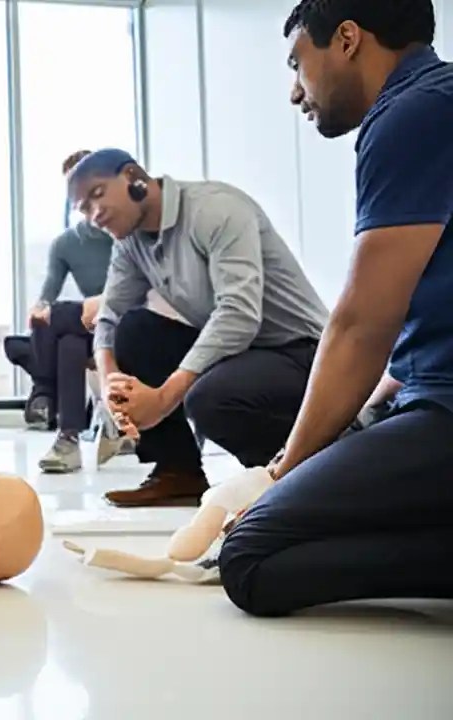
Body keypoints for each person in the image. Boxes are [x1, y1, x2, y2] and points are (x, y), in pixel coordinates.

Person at [220, 0, 453, 617]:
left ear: (347, 39)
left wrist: (283, 472)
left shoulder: (413, 113)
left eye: (299, 63)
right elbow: (426, 319)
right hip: (430, 390)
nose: (297, 92)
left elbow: (359, 325)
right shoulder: (438, 101)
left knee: (249, 557)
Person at [69, 148, 328, 507]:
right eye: (83, 209)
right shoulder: (129, 243)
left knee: (209, 397)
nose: (94, 215)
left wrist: (163, 397)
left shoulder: (215, 210)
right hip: (243, 353)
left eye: (97, 194)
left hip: (304, 353)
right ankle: (179, 474)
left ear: (133, 177)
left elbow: (239, 313)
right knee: (136, 330)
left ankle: (289, 480)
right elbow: (110, 318)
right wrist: (113, 388)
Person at [7, 149, 133, 474]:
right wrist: (39, 308)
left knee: (60, 319)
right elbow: (47, 293)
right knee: (66, 341)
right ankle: (69, 439)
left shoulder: (126, 231)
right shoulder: (65, 244)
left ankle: (44, 391)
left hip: (133, 324)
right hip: (91, 327)